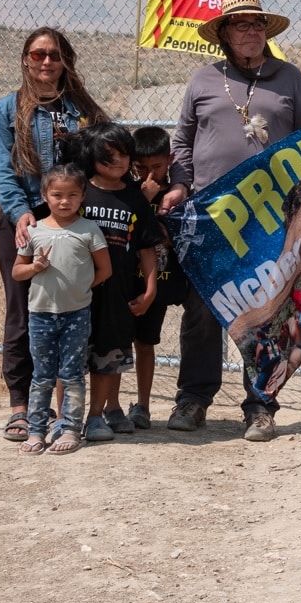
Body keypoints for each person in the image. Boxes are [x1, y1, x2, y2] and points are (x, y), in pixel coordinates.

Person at [154, 0, 301, 441]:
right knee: (204, 308)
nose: (251, 31)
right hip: (212, 216)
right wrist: (179, 185)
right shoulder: (203, 80)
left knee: (266, 311)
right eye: (241, 25)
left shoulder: (289, 79)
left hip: (273, 217)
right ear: (224, 34)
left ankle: (261, 406)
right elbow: (182, 142)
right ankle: (193, 399)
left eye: (257, 24)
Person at [0, 27, 108, 444]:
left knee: (76, 310)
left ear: (65, 60)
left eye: (53, 55)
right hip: (27, 222)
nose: (45, 62)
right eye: (37, 55)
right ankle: (22, 406)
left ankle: (73, 411)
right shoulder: (7, 110)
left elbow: (105, 153)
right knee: (24, 311)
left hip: (76, 224)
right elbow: (2, 171)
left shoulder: (82, 109)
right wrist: (19, 214)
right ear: (25, 59)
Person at [66, 124, 160, 444]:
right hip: (77, 292)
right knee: (73, 354)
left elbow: (147, 249)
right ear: (92, 158)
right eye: (109, 156)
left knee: (110, 353)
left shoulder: (134, 198)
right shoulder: (78, 193)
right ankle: (68, 417)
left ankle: (98, 415)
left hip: (118, 292)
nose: (118, 161)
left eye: (123, 154)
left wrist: (150, 289)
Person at [11, 163, 110, 456]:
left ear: (82, 197)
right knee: (42, 376)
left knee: (71, 374)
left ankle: (69, 428)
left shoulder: (88, 230)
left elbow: (104, 269)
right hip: (40, 314)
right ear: (44, 196)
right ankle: (36, 431)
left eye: (72, 195)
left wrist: (81, 288)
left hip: (76, 314)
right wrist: (34, 267)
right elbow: (17, 272)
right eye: (57, 195)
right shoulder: (34, 231)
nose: (64, 201)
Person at [127, 125, 186, 429]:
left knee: (145, 342)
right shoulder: (128, 192)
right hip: (127, 281)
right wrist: (140, 198)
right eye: (140, 168)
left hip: (159, 283)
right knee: (119, 342)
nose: (149, 176)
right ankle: (114, 406)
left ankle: (143, 405)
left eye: (157, 167)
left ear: (170, 160)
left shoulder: (177, 196)